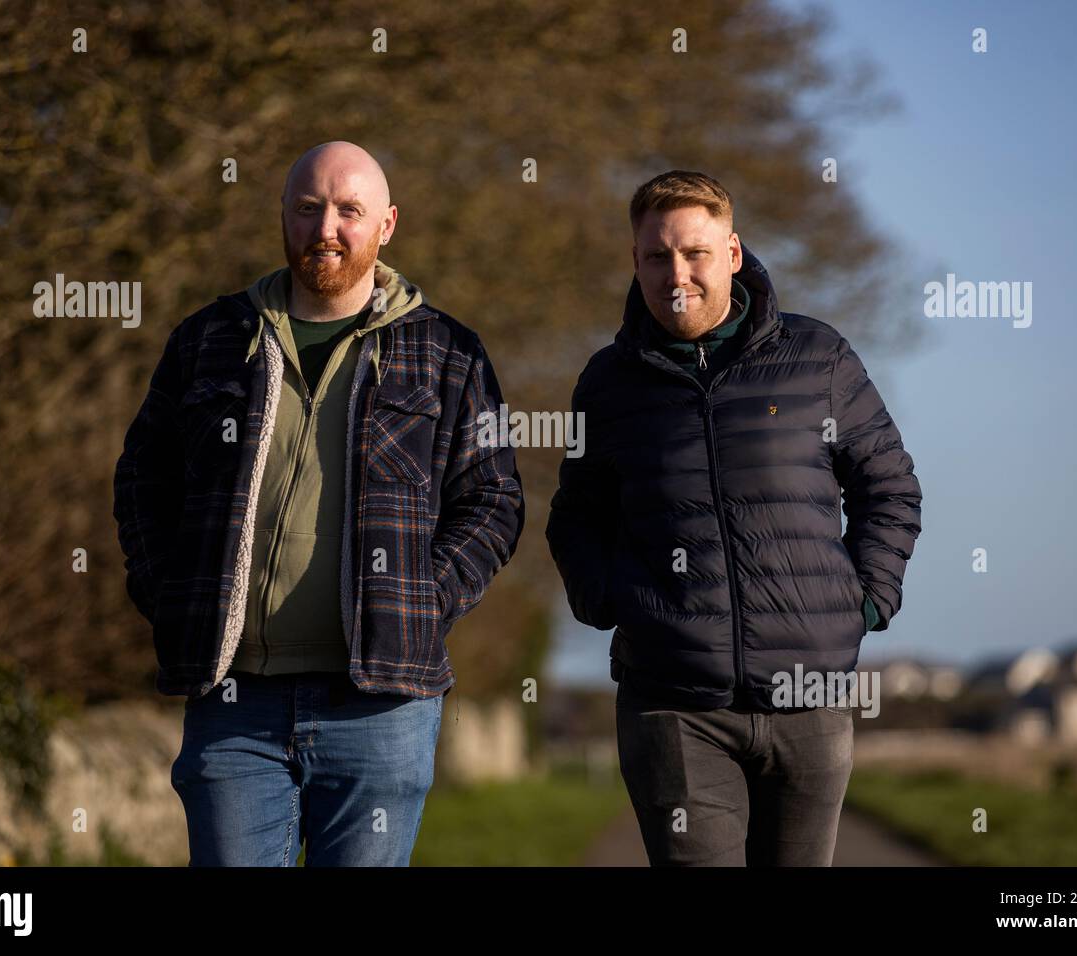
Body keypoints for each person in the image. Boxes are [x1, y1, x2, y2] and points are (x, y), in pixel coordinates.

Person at [113, 141, 524, 866]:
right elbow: (144, 479)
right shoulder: (210, 339)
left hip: (383, 704)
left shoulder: (449, 351)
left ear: (387, 223)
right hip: (235, 698)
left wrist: (425, 601)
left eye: (348, 211)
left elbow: (492, 500)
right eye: (308, 208)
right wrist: (171, 593)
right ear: (284, 214)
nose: (325, 228)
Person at [545, 170, 922, 866]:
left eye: (695, 252)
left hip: (810, 694)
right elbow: (575, 515)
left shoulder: (819, 357)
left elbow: (890, 488)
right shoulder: (607, 383)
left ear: (734, 252)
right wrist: (610, 603)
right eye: (657, 256)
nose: (676, 273)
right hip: (672, 704)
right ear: (636, 263)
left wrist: (863, 603)